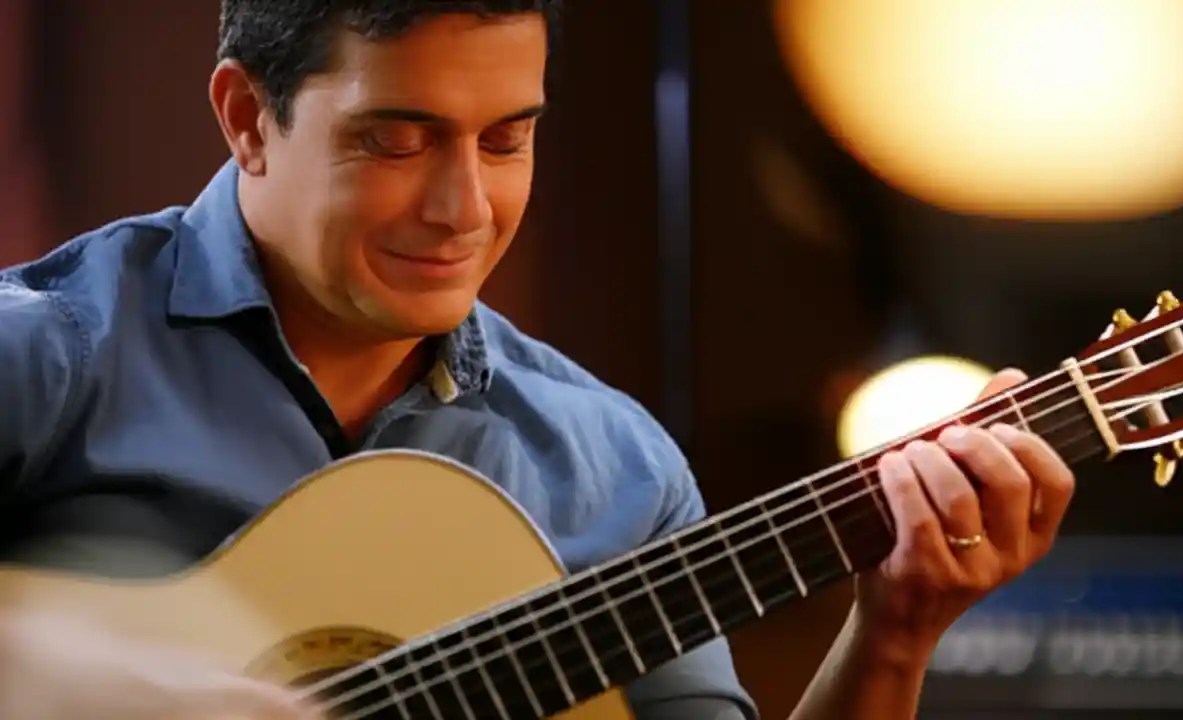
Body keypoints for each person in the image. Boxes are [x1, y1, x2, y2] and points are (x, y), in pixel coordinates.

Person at [0, 1, 1076, 718]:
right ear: (247, 119)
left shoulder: (610, 470)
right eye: (397, 139)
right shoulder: (47, 357)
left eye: (506, 139)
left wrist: (893, 632)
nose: (464, 208)